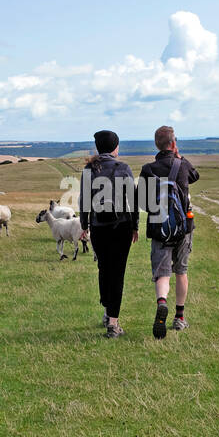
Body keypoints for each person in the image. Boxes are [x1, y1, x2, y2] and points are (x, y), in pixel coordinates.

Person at [138, 125, 199, 339]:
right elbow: (195, 176)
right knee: (181, 271)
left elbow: (143, 203)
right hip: (183, 228)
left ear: (156, 145)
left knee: (162, 273)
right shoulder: (182, 165)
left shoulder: (148, 169)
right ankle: (179, 318)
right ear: (173, 143)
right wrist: (180, 156)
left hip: (158, 227)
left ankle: (162, 302)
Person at [79, 129, 138, 338]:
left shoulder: (89, 169)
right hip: (121, 226)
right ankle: (113, 324)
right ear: (115, 147)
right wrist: (135, 226)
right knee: (117, 273)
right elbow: (133, 200)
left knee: (103, 269)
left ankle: (107, 310)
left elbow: (84, 200)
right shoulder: (123, 168)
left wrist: (84, 225)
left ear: (98, 147)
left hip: (98, 226)